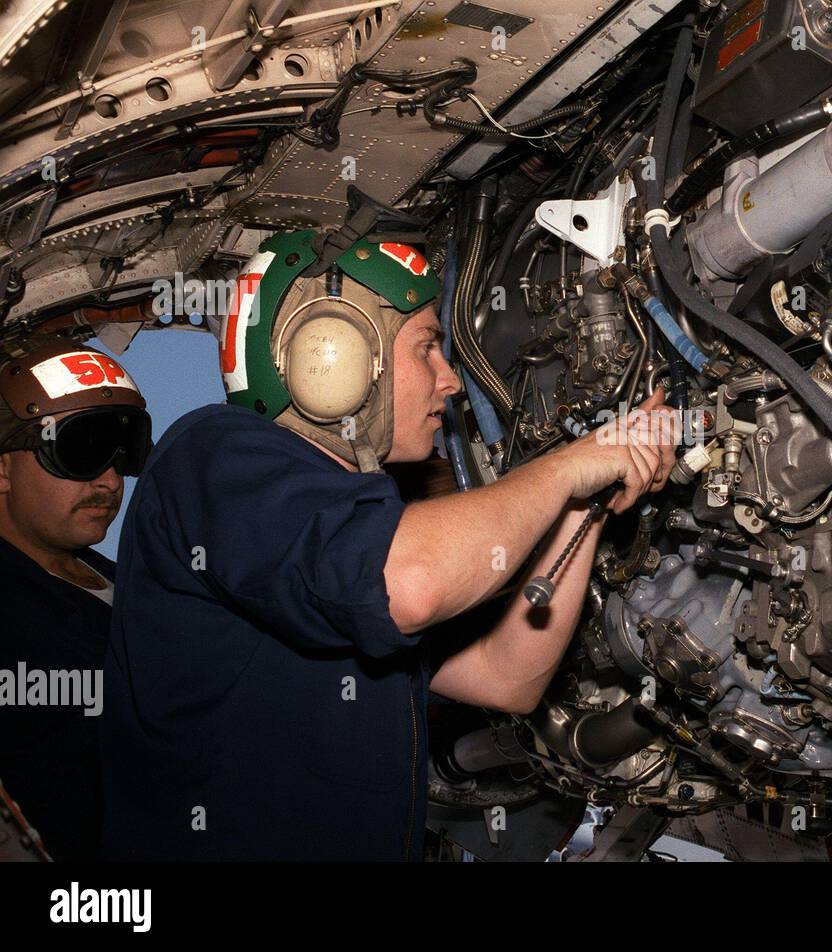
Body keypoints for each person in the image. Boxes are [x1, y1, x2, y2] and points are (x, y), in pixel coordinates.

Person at [100, 230, 678, 861]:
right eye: (427, 347)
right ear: (334, 352)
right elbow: (411, 584)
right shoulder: (216, 453)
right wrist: (572, 463)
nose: (451, 381)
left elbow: (508, 676)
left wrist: (586, 504)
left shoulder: (350, 529)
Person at [0, 338, 152, 860]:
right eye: (81, 448)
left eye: (124, 451)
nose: (110, 480)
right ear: (2, 467)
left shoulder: (137, 586)